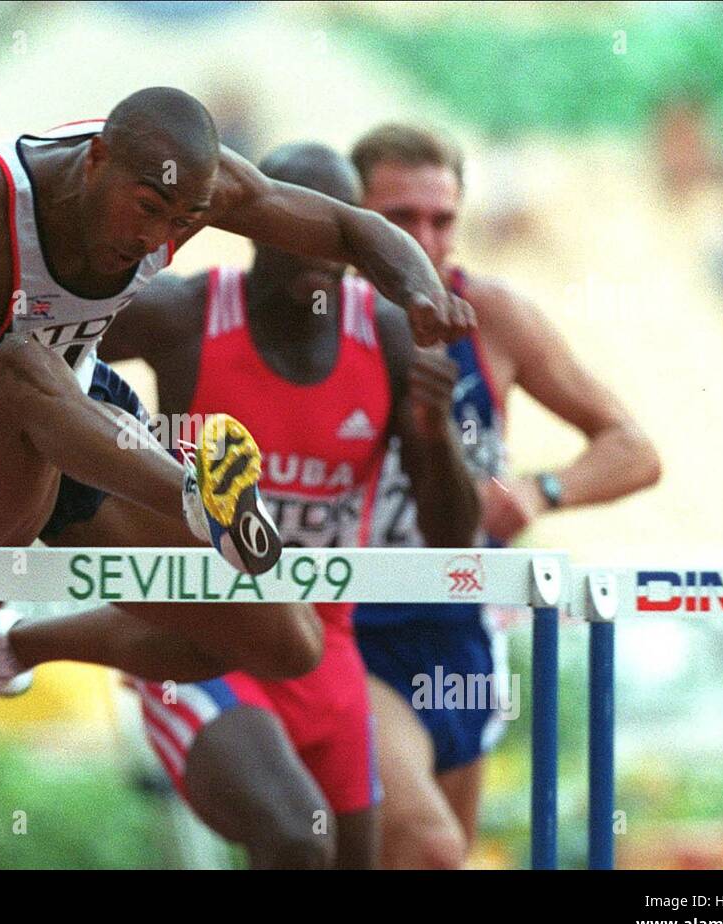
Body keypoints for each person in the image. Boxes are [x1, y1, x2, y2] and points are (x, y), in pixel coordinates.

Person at [0, 88, 475, 695]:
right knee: (24, 361)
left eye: (182, 220)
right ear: (94, 162)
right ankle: (197, 498)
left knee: (281, 641)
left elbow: (349, 226)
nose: (155, 236)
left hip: (66, 448)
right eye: (148, 208)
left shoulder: (193, 187)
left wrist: (419, 289)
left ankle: (9, 643)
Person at [97, 142, 480, 869]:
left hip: (321, 644)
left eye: (337, 231)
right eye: (299, 224)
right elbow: (48, 343)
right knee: (295, 839)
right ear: (261, 223)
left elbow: (454, 536)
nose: (317, 247)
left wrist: (434, 443)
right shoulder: (185, 315)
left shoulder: (388, 335)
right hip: (200, 638)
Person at [349, 124, 662, 868]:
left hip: (460, 627)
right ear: (352, 220)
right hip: (345, 627)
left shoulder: (493, 317)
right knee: (424, 850)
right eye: (398, 219)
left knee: (436, 853)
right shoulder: (314, 319)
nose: (424, 238)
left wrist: (541, 489)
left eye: (441, 218)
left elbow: (634, 449)